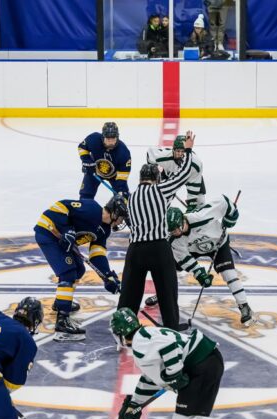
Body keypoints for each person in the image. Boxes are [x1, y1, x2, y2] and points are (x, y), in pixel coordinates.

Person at [118, 131, 196, 332]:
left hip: (135, 250)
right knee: (167, 291)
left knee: (129, 293)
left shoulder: (131, 197)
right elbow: (185, 173)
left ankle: (122, 326)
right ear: (156, 178)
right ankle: (170, 326)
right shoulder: (160, 190)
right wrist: (187, 150)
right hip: (158, 248)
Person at [147, 197, 253, 326]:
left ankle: (244, 306)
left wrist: (231, 218)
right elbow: (185, 258)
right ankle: (162, 294)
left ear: (182, 221)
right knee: (169, 268)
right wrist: (200, 274)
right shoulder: (174, 239)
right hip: (194, 249)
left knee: (229, 274)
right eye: (171, 231)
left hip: (218, 243)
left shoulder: (201, 216)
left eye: (175, 229)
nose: (174, 233)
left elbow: (225, 202)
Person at [34, 196, 127, 341]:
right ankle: (62, 319)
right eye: (122, 217)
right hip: (49, 233)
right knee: (68, 273)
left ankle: (61, 302)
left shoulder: (105, 230)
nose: (122, 221)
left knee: (79, 270)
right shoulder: (91, 209)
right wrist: (67, 230)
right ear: (115, 212)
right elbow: (60, 206)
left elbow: (97, 254)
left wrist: (107, 276)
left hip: (63, 240)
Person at [146, 135, 206, 210]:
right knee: (163, 200)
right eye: (178, 151)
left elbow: (193, 195)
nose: (180, 154)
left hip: (191, 176)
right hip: (172, 174)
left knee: (200, 204)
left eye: (183, 151)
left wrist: (191, 205)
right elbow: (150, 153)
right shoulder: (164, 157)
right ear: (173, 150)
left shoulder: (195, 164)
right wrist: (155, 174)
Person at [78, 122, 132, 200]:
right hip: (94, 171)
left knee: (123, 198)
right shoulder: (94, 139)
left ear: (117, 137)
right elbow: (82, 147)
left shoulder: (123, 152)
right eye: (108, 139)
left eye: (113, 139)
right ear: (103, 137)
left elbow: (123, 174)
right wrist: (87, 161)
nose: (110, 142)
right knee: (85, 196)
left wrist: (120, 189)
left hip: (115, 176)